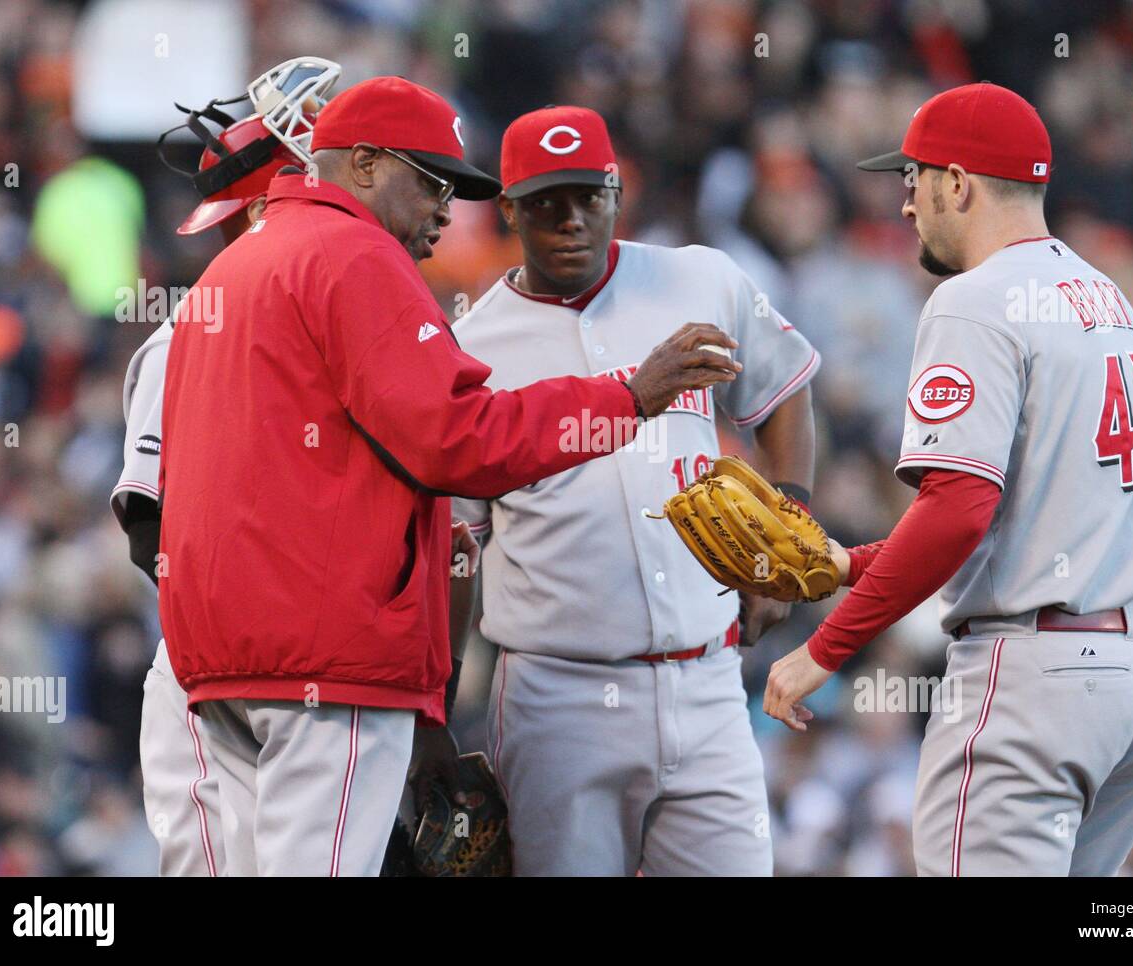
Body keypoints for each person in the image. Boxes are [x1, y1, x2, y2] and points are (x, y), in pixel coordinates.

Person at [157, 77, 740, 877]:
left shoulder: (233, 269)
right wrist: (628, 398)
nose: (447, 209)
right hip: (324, 662)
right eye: (431, 181)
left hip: (219, 660)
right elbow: (458, 441)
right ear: (361, 164)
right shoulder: (353, 253)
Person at [763, 82, 1133, 877]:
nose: (906, 205)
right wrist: (852, 564)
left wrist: (823, 651)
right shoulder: (1108, 297)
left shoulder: (974, 300)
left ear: (957, 183)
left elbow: (960, 509)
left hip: (1041, 679)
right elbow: (1029, 512)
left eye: (914, 178)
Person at [449, 106, 820, 875]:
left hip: (709, 678)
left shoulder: (701, 277)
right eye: (547, 200)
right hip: (558, 694)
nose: (572, 219)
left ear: (618, 189)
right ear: (509, 208)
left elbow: (785, 392)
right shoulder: (470, 348)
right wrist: (439, 713)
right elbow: (453, 545)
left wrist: (786, 530)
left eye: (589, 195)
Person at [111, 99, 306, 876]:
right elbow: (147, 528)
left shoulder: (330, 322)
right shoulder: (187, 330)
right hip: (210, 671)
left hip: (298, 674)